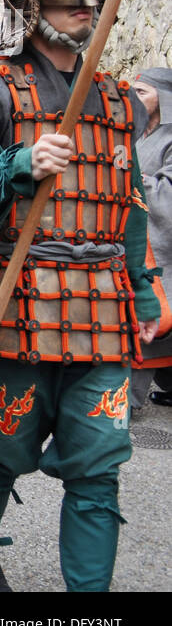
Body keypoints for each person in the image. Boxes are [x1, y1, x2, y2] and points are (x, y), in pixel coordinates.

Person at [0, 0, 162, 593]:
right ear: (28, 0)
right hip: (17, 301)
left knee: (100, 466)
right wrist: (18, 166)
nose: (85, 4)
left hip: (101, 307)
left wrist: (145, 288)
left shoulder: (118, 99)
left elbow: (126, 203)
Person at [133, 68, 172, 406]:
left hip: (162, 247)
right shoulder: (133, 134)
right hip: (136, 238)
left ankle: (126, 398)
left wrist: (132, 179)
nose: (135, 98)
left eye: (143, 92)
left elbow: (168, 195)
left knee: (155, 314)